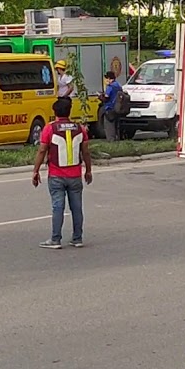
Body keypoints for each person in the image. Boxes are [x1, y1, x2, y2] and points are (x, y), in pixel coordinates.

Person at [32, 96, 92, 249]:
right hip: (75, 175)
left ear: (55, 112)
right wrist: (88, 170)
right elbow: (86, 152)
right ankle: (77, 238)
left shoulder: (49, 128)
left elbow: (42, 150)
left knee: (58, 207)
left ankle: (55, 239)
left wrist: (35, 171)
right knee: (77, 207)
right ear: (69, 111)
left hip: (56, 175)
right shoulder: (80, 128)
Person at [98, 70, 123, 140]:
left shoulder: (110, 87)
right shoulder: (118, 85)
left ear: (109, 78)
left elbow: (106, 97)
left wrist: (100, 97)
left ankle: (111, 140)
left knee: (109, 126)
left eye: (107, 78)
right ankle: (118, 139)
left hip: (109, 108)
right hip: (118, 108)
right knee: (116, 125)